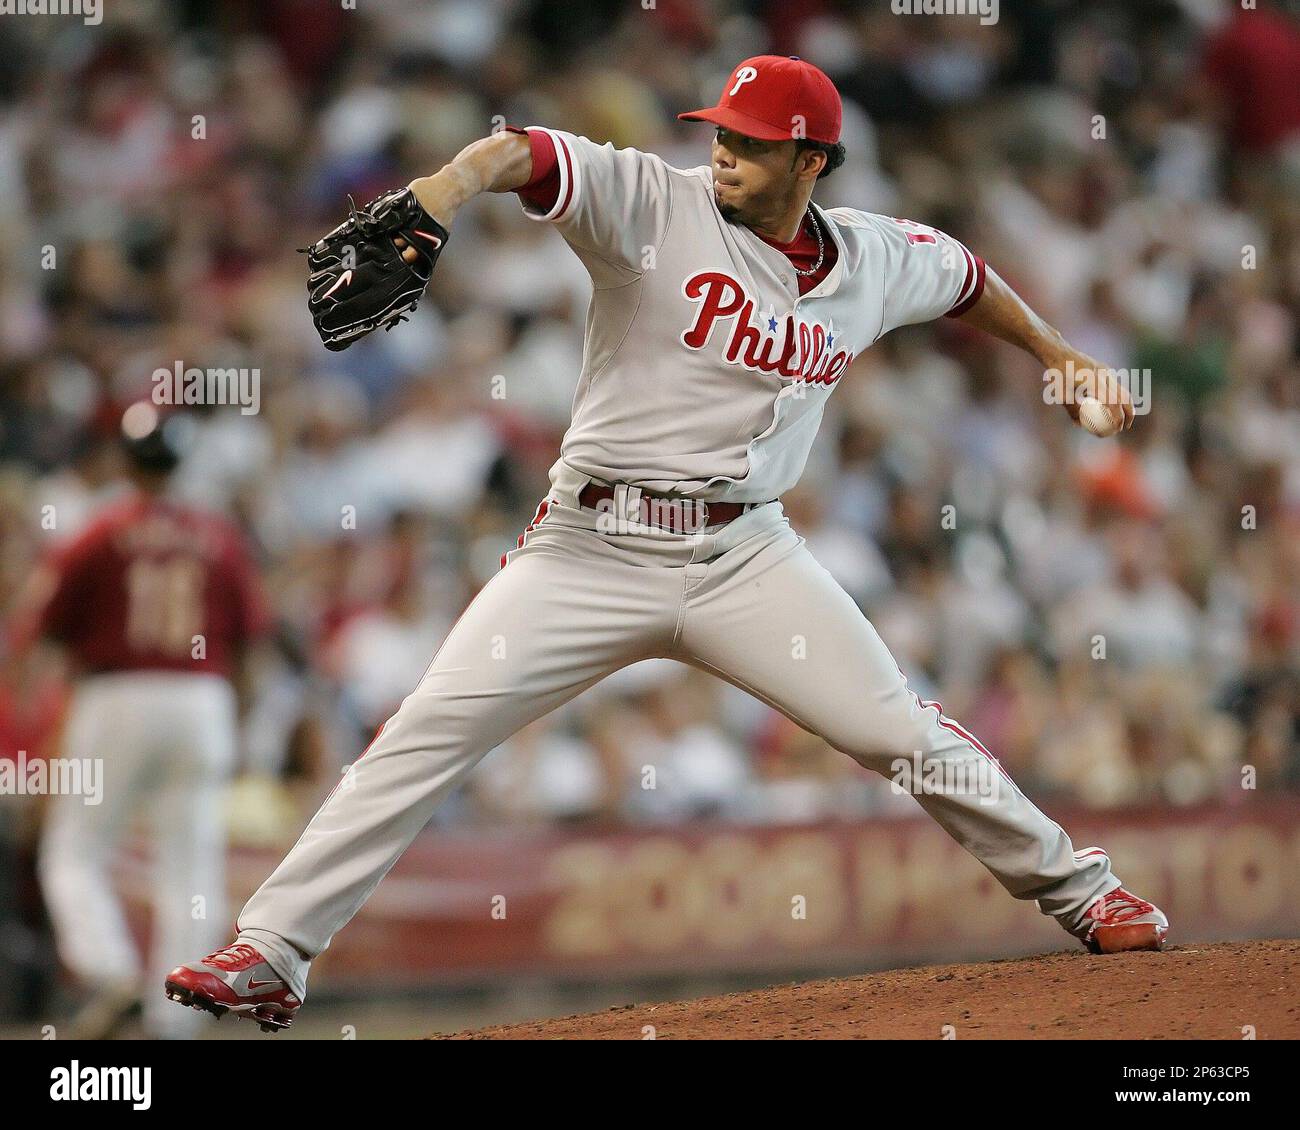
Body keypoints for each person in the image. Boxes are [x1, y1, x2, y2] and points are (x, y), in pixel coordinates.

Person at [166, 56, 1166, 1033]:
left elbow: (965, 278)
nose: (725, 153)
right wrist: (442, 191)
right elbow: (525, 149)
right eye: (721, 135)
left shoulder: (873, 257)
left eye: (751, 143)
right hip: (588, 545)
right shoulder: (652, 201)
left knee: (898, 732)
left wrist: (1061, 357)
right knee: (425, 728)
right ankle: (272, 949)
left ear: (811, 159)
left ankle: (1084, 893)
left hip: (746, 554)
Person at [24, 405, 268, 1038]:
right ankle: (175, 1018)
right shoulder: (218, 534)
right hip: (203, 699)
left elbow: (44, 631)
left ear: (125, 461)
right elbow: (251, 644)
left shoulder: (99, 529)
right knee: (190, 865)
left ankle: (109, 971)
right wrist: (236, 725)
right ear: (182, 464)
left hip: (118, 696)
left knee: (74, 853)